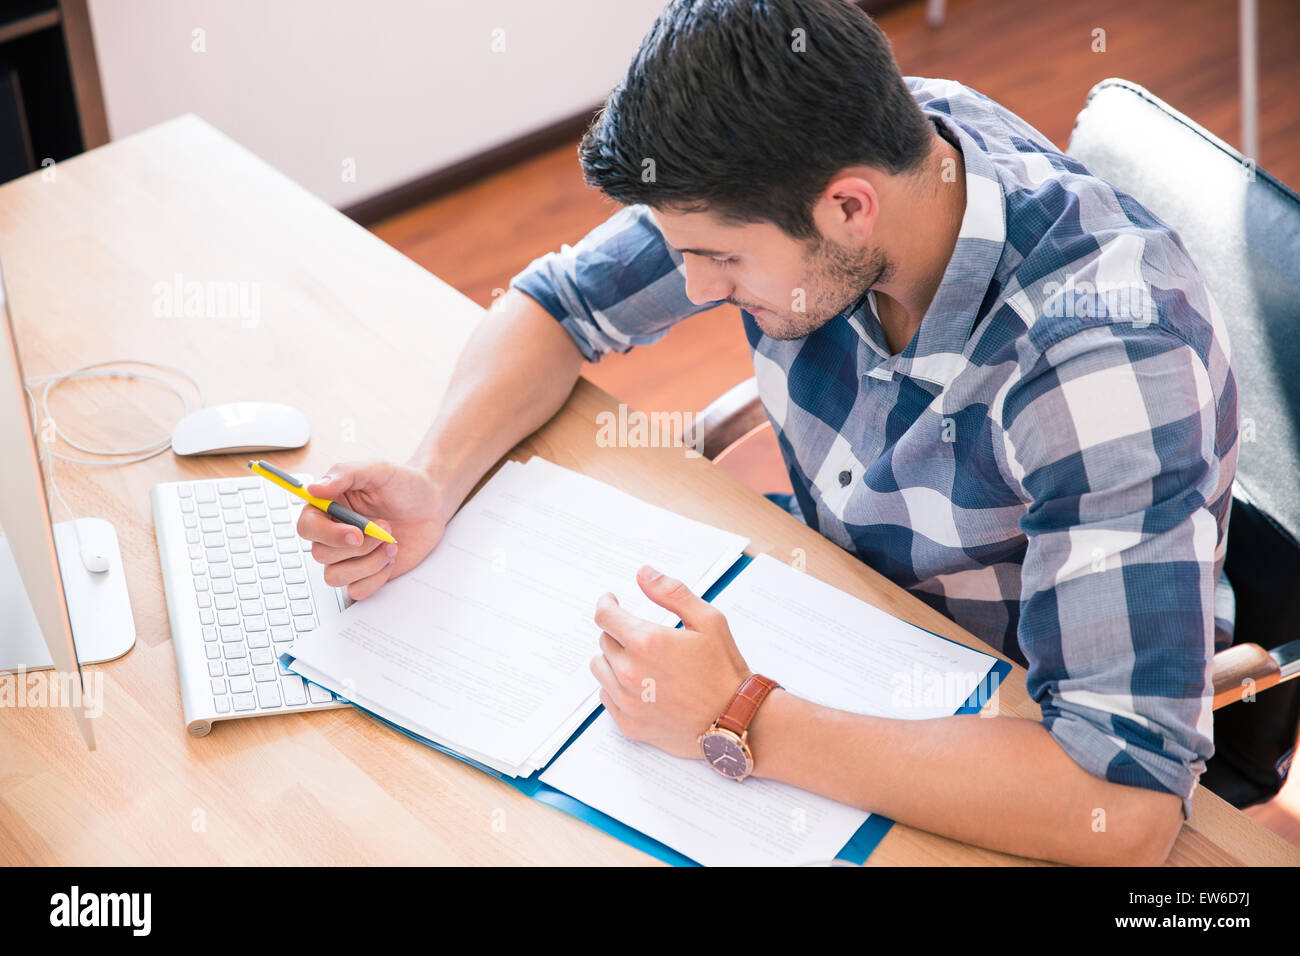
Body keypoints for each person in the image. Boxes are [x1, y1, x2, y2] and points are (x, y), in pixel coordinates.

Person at [297, 0, 1236, 865]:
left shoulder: (1099, 363)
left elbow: (1126, 807)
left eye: (722, 259)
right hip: (836, 603)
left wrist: (741, 717)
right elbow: (556, 305)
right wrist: (434, 475)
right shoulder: (851, 148)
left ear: (850, 207)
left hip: (999, 702)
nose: (696, 291)